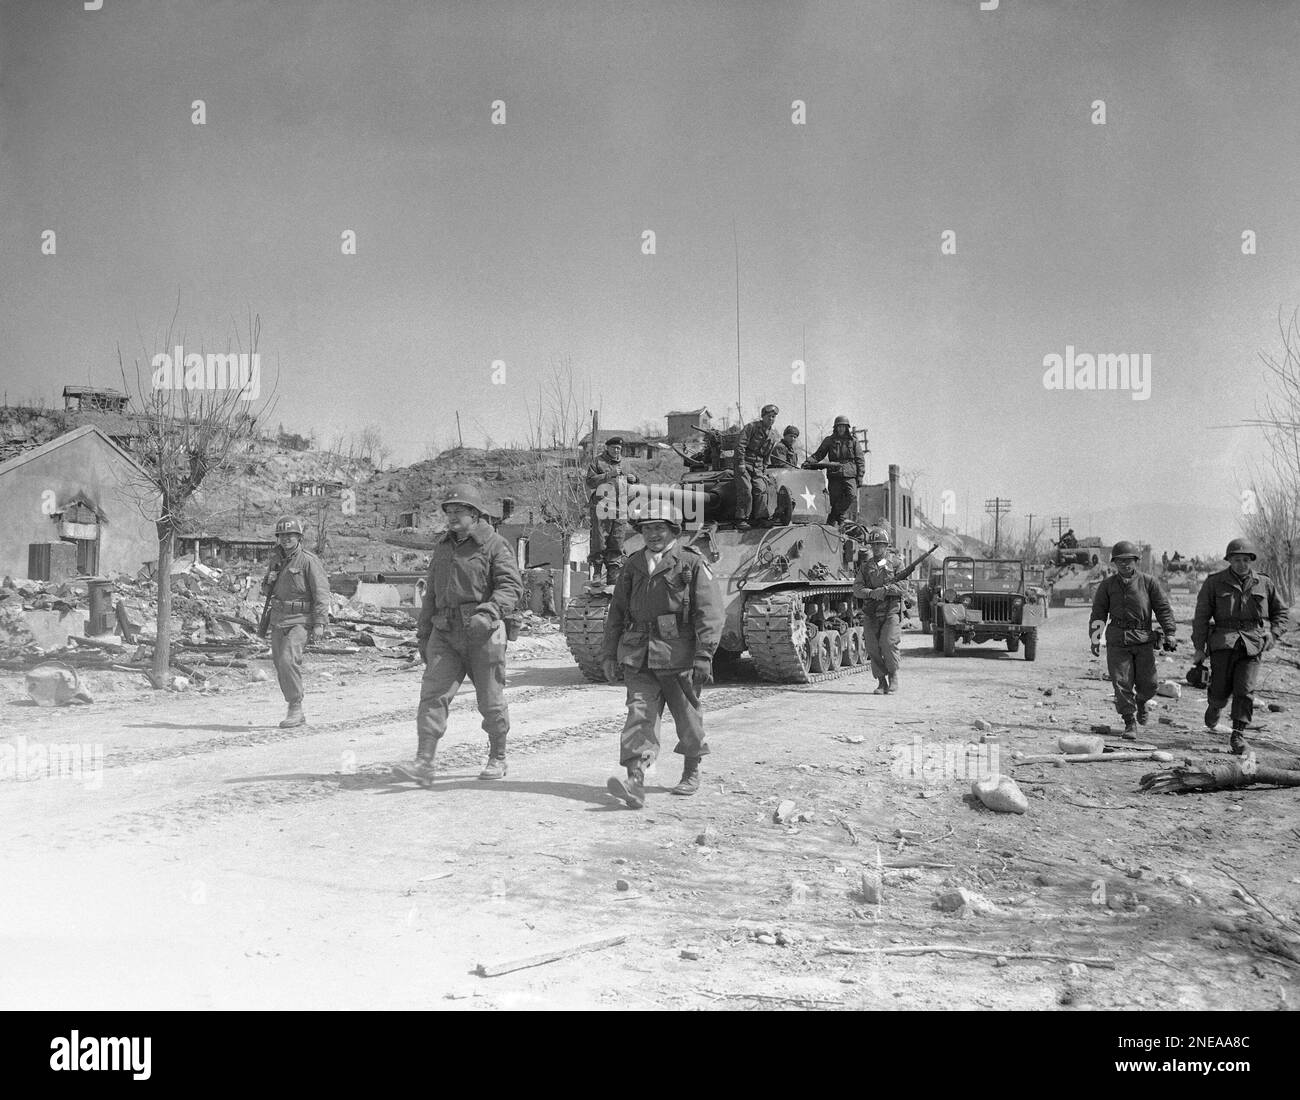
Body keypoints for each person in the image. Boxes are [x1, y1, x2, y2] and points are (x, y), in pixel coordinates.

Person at [601, 502, 723, 808]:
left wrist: (704, 655)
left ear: (673, 530)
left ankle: (691, 771)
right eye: (646, 528)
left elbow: (710, 612)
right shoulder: (633, 565)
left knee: (687, 718)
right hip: (638, 654)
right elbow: (616, 611)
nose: (652, 534)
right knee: (639, 716)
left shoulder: (691, 563)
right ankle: (635, 779)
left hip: (680, 655)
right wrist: (609, 653)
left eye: (659, 528)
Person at [399, 484, 523, 785]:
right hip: (445, 632)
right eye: (448, 511)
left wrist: (489, 612)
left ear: (475, 513)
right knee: (432, 696)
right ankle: (424, 762)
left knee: (490, 700)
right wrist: (423, 633)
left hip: (484, 633)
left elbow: (511, 587)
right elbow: (431, 594)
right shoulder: (442, 546)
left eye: (458, 511)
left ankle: (498, 756)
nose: (452, 517)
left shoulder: (494, 545)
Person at [1192, 537, 1289, 755]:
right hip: (1222, 642)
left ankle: (1238, 735)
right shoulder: (1214, 582)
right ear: (1229, 560)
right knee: (1220, 688)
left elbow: (1281, 613)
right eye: (1236, 559)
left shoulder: (1264, 583)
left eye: (1246, 560)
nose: (1241, 564)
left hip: (1253, 644)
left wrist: (1273, 634)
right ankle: (1215, 705)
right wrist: (1199, 648)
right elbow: (1201, 617)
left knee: (1245, 690)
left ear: (1251, 561)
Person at [1089, 540, 1178, 738]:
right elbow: (1098, 614)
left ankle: (1141, 701)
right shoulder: (1107, 586)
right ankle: (1130, 723)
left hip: (1143, 639)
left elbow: (1163, 608)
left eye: (1129, 560)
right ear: (1114, 563)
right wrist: (1095, 639)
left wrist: (1170, 632)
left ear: (1136, 561)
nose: (1125, 565)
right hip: (1117, 641)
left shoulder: (1149, 582)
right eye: (1120, 561)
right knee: (1121, 683)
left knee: (1150, 684)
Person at [261, 516, 331, 728]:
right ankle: (293, 706)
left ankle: (295, 706)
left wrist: (319, 623)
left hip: (301, 620)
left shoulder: (308, 560)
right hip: (279, 619)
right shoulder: (276, 560)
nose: (286, 539)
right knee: (280, 665)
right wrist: (268, 581)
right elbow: (265, 591)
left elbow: (321, 592)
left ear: (299, 537)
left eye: (290, 535)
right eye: (282, 535)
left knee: (287, 660)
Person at [584, 436, 640, 588]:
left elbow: (637, 479)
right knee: (600, 540)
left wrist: (633, 478)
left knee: (617, 541)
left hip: (621, 506)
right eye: (614, 448)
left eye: (619, 449)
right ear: (607, 448)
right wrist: (609, 475)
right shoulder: (598, 462)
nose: (617, 451)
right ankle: (596, 572)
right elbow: (590, 482)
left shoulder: (626, 463)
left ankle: (613, 576)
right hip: (602, 505)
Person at [856, 527, 904, 694]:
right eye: (874, 544)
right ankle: (881, 681)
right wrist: (871, 593)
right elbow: (857, 589)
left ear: (886, 545)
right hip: (871, 612)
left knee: (888, 643)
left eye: (880, 544)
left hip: (891, 610)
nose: (876, 548)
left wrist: (886, 590)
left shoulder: (896, 563)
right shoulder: (866, 566)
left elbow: (903, 586)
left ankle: (893, 675)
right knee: (872, 647)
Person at [804, 415, 865, 525]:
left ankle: (834, 515)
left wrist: (860, 477)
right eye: (839, 426)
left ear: (847, 428)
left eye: (843, 426)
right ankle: (839, 518)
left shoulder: (853, 441)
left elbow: (860, 460)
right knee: (835, 499)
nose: (841, 429)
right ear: (835, 428)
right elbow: (819, 454)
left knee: (852, 494)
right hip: (834, 474)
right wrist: (809, 461)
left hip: (849, 473)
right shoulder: (829, 440)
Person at [733, 405, 780, 529]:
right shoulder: (751, 427)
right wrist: (741, 463)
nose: (771, 419)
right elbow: (740, 446)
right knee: (746, 490)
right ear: (763, 416)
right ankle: (741, 519)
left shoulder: (773, 435)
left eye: (773, 417)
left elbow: (767, 455)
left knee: (761, 489)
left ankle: (761, 518)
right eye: (769, 416)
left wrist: (764, 469)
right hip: (744, 463)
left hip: (758, 467)